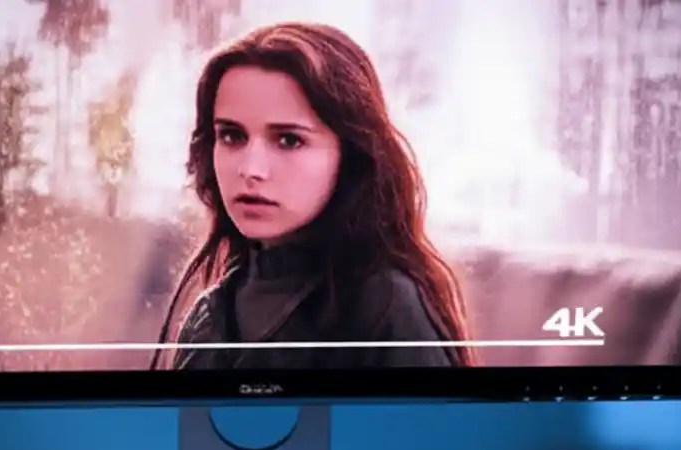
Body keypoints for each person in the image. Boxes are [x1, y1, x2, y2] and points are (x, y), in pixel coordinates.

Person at [151, 21, 476, 371]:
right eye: (232, 136)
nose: (251, 169)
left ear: (349, 154)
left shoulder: (385, 306)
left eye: (289, 140)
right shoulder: (208, 320)